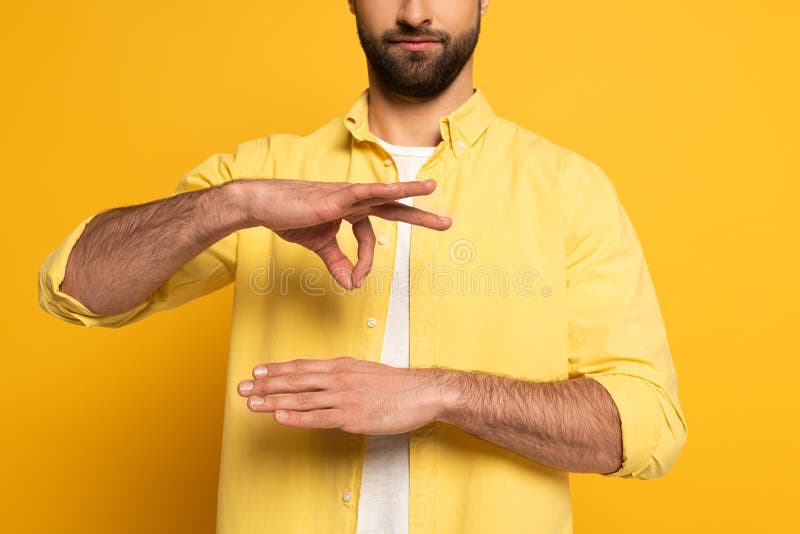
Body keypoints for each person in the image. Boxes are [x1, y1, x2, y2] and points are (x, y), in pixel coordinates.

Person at [38, 1, 688, 532]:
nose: (414, 11)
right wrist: (233, 204)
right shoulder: (262, 170)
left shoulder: (568, 189)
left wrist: (440, 393)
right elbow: (77, 287)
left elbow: (647, 428)